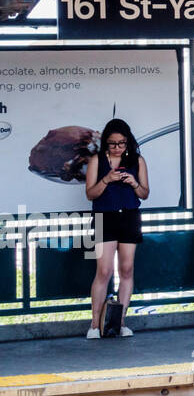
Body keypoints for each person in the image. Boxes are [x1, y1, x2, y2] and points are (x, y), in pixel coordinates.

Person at [84, 119, 149, 338]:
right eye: (112, 143)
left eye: (121, 143)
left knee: (127, 269)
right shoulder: (97, 160)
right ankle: (95, 324)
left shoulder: (137, 160)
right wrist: (107, 180)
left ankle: (119, 322)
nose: (117, 147)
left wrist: (133, 183)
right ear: (106, 143)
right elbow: (90, 194)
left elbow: (144, 194)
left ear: (128, 142)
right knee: (103, 271)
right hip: (104, 216)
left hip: (129, 216)